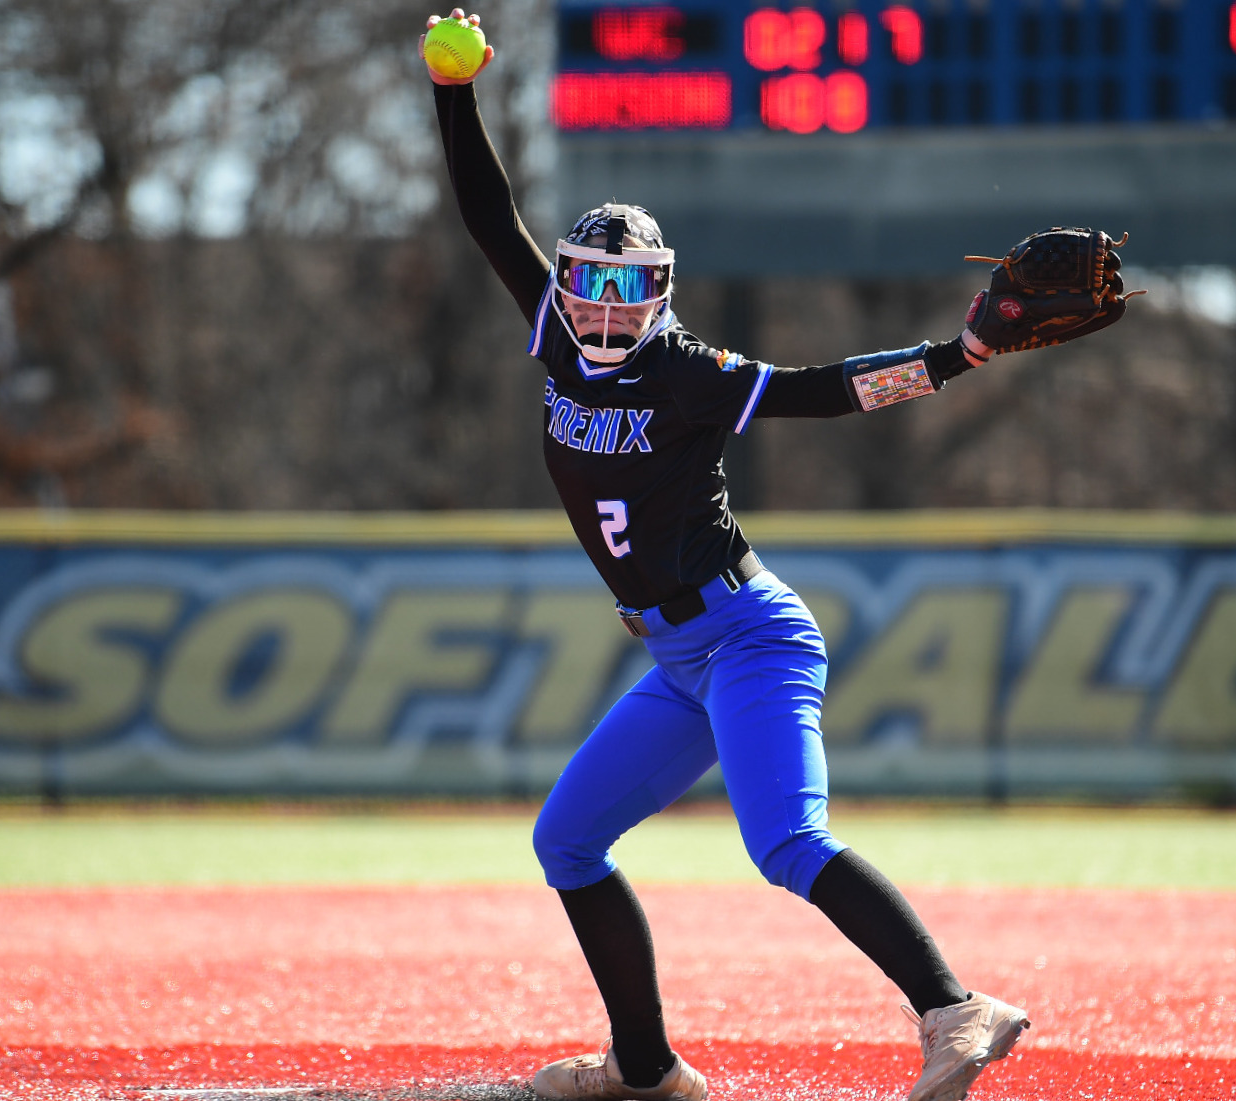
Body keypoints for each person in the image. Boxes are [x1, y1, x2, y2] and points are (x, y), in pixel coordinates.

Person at [423, 13, 1127, 1100]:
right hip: (675, 657)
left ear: (658, 293)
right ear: (565, 286)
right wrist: (451, 91)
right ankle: (646, 1071)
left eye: (627, 288)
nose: (605, 307)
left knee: (785, 842)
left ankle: (955, 1009)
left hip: (748, 636)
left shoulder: (685, 370)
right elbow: (485, 213)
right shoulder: (554, 336)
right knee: (565, 841)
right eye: (590, 285)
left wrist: (960, 354)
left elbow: (823, 389)